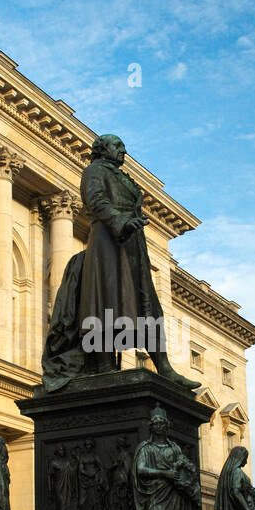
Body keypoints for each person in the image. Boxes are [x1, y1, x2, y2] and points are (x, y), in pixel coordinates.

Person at [40, 134, 198, 391]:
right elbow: (96, 201)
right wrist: (120, 220)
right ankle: (104, 365)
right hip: (108, 243)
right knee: (105, 303)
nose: (124, 150)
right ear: (102, 150)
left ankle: (165, 367)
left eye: (124, 145)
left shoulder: (122, 177)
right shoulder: (94, 171)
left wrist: (129, 225)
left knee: (148, 306)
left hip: (132, 245)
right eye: (118, 146)